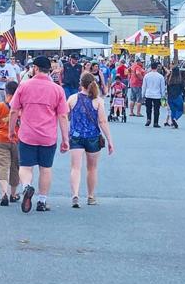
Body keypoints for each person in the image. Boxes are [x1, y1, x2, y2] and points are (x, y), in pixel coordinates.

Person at [7, 55, 69, 213]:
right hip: (48, 136)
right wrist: (65, 139)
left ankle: (26, 187)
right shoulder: (57, 89)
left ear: (35, 68)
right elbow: (62, 116)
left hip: (27, 134)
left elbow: (13, 110)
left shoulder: (24, 86)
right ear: (49, 70)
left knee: (25, 166)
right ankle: (42, 201)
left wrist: (11, 131)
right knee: (45, 168)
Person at [64, 73, 114, 208]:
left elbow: (65, 116)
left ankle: (75, 194)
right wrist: (109, 140)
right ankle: (91, 196)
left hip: (76, 136)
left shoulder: (72, 98)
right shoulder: (98, 101)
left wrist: (65, 134)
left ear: (81, 84)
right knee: (92, 168)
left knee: (75, 167)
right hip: (93, 137)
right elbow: (102, 121)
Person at [0, 79, 21, 205]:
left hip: (1, 139)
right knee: (15, 167)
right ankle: (13, 194)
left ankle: (4, 193)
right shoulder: (21, 107)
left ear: (6, 92)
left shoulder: (0, 106)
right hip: (18, 140)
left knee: (2, 166)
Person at [142, 63, 167, 127]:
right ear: (156, 67)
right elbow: (162, 87)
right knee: (156, 109)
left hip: (148, 94)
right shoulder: (160, 76)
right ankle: (155, 122)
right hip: (157, 95)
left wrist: (143, 94)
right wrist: (163, 95)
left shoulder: (146, 76)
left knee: (148, 108)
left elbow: (144, 86)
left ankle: (148, 119)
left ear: (151, 67)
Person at [166, 63, 185, 128]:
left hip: (170, 98)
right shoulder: (180, 80)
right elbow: (182, 89)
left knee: (173, 111)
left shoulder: (169, 80)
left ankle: (173, 123)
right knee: (180, 110)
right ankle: (175, 119)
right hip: (177, 97)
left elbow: (167, 89)